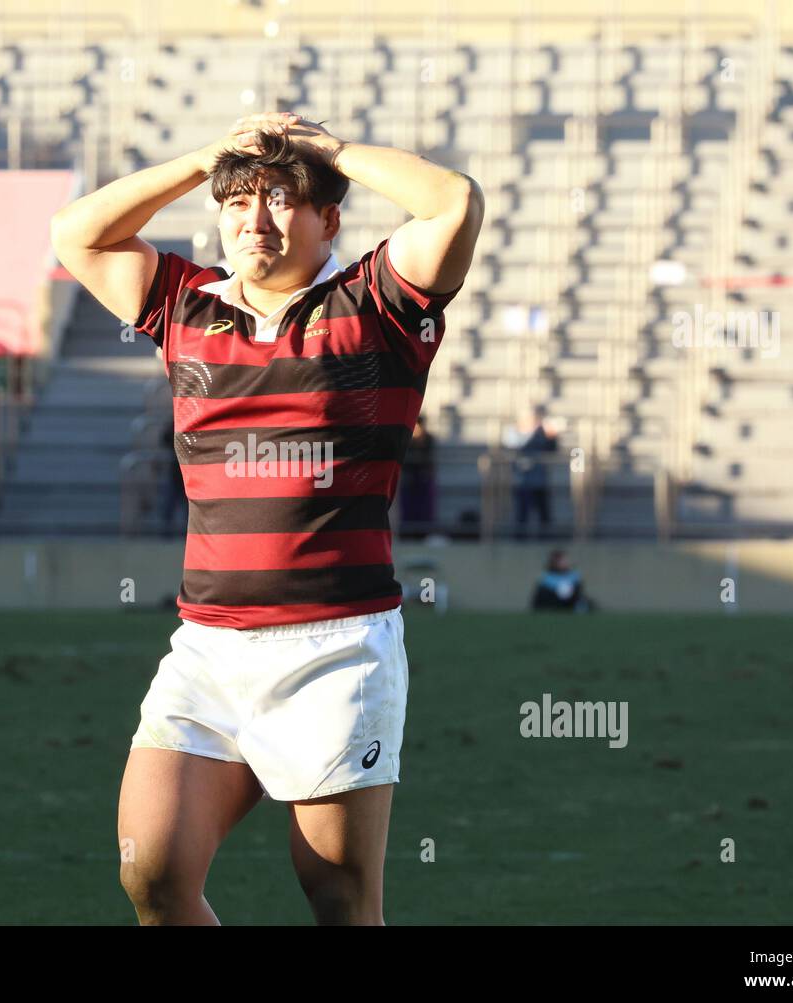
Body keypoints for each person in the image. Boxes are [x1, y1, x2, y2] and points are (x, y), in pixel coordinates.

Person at [52, 112, 483, 925]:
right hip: (208, 644)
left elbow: (454, 201)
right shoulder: (184, 303)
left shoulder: (379, 303)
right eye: (238, 200)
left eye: (282, 199)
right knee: (153, 872)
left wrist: (328, 150)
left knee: (338, 897)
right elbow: (75, 233)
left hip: (335, 644)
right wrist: (201, 157)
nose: (255, 219)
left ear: (330, 219)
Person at [502, 406, 558, 540]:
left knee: (544, 513)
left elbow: (552, 449)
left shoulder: (541, 433)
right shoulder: (513, 432)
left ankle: (545, 540)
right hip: (522, 480)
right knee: (522, 513)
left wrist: (552, 436)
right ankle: (520, 541)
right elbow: (512, 449)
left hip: (540, 480)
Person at [399, 414, 436, 539]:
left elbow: (429, 459)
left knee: (424, 509)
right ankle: (407, 533)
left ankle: (423, 533)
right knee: (409, 509)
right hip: (409, 480)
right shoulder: (406, 439)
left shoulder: (429, 439)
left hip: (423, 480)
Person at [530, 548, 594, 613]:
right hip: (553, 607)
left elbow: (578, 594)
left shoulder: (574, 576)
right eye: (561, 560)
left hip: (570, 606)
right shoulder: (546, 579)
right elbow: (538, 601)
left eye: (565, 560)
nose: (565, 562)